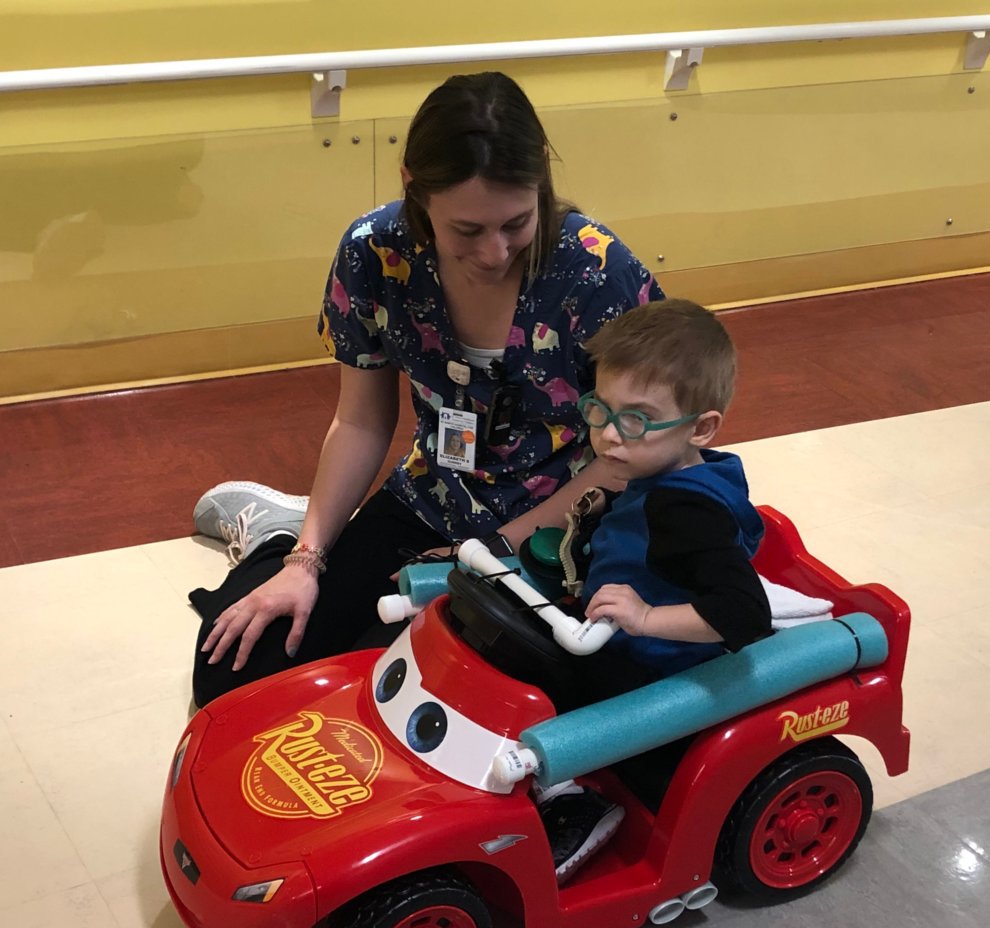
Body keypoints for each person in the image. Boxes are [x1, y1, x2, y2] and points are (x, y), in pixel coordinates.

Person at [188, 70, 663, 708]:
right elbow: (360, 421)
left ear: (543, 175)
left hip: (562, 531)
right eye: (466, 231)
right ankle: (286, 534)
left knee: (462, 698)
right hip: (435, 498)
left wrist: (494, 549)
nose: (495, 252)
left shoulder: (596, 270)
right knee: (240, 674)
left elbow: (632, 453)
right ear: (414, 185)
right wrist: (305, 563)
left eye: (516, 223)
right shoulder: (374, 252)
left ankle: (301, 536)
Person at [535, 298, 774, 882]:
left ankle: (578, 801)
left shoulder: (685, 508)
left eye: (636, 419)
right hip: (619, 641)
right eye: (601, 409)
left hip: (655, 670)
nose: (610, 435)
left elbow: (745, 614)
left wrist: (644, 618)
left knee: (533, 690)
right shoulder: (662, 474)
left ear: (701, 427)